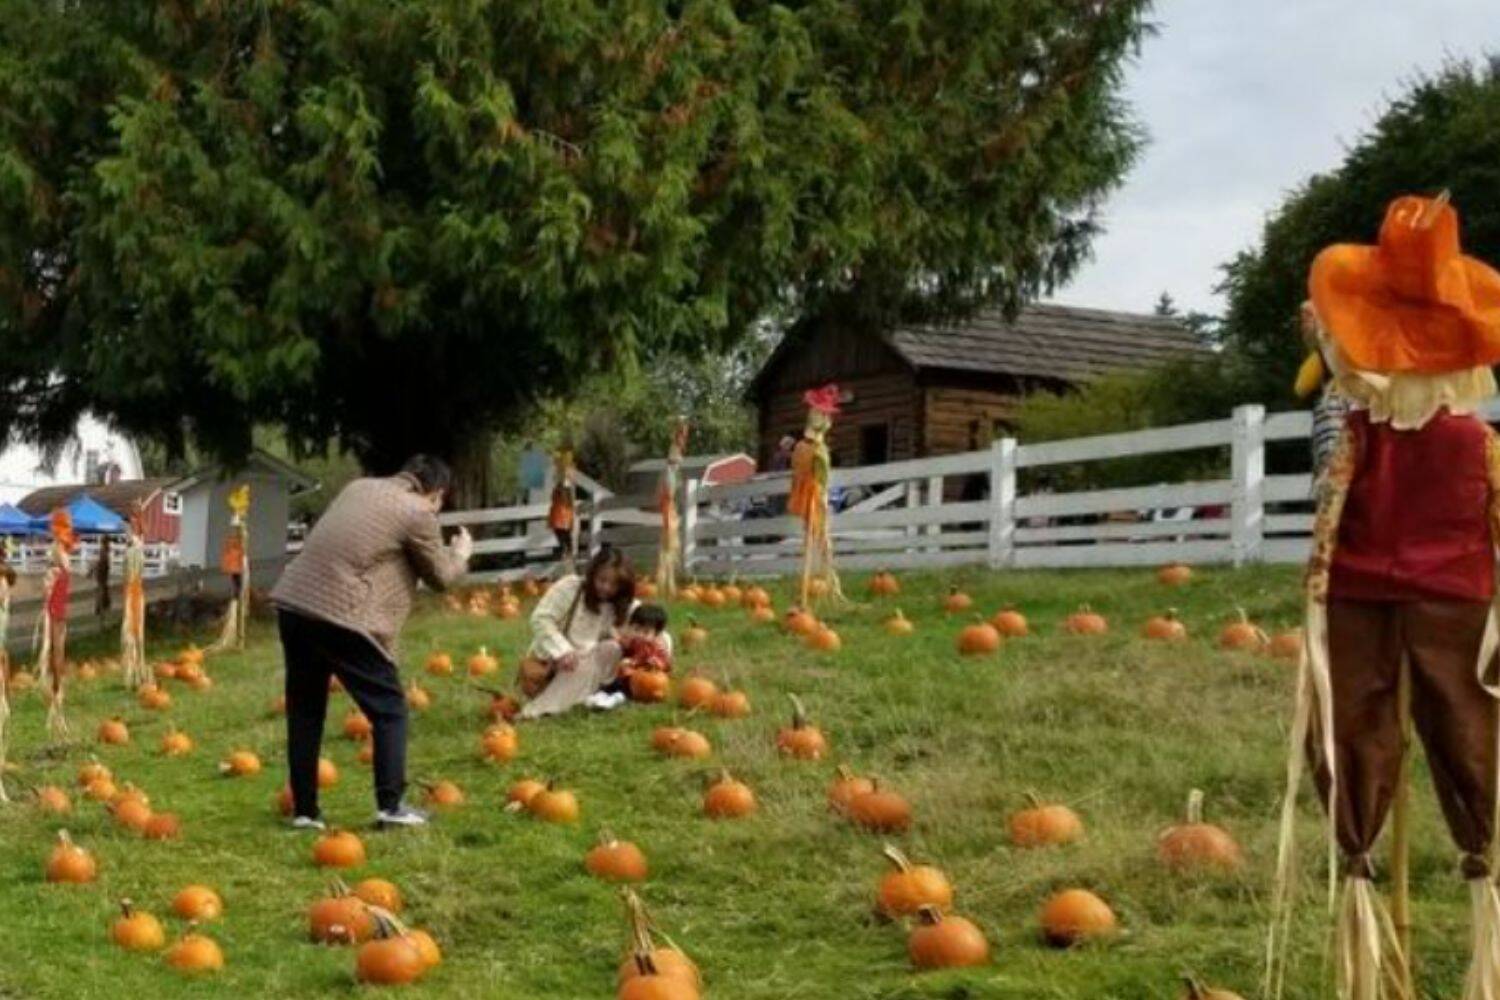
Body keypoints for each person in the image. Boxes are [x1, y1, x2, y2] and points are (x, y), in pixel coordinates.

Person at [271, 455, 473, 830]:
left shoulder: (358, 487)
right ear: (437, 493)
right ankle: (391, 806)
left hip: (294, 603)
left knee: (305, 710)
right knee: (390, 708)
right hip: (340, 613)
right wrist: (460, 553)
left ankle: (305, 811)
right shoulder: (417, 510)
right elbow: (442, 576)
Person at [518, 546, 636, 719]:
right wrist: (562, 650)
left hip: (585, 662)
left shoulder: (618, 604)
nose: (606, 587)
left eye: (614, 584)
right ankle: (541, 708)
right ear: (593, 573)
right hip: (555, 664)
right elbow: (540, 619)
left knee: (612, 649)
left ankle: (589, 696)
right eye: (602, 580)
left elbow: (641, 621)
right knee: (579, 665)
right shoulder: (570, 587)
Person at [590, 604, 673, 711]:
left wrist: (650, 662)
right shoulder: (633, 641)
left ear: (656, 635)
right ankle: (602, 693)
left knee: (625, 686)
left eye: (646, 632)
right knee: (613, 680)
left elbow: (664, 663)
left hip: (644, 679)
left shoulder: (655, 648)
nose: (640, 634)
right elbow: (623, 646)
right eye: (637, 629)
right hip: (626, 673)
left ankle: (615, 698)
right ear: (631, 626)